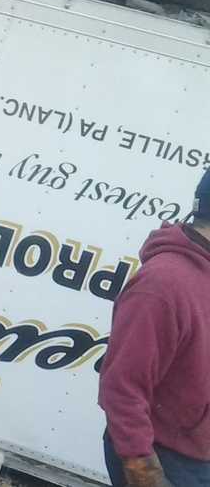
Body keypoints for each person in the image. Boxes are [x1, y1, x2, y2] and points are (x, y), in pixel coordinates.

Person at [99, 168, 210, 487]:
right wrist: (144, 471)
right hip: (164, 457)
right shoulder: (163, 286)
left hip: (197, 451)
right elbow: (122, 387)